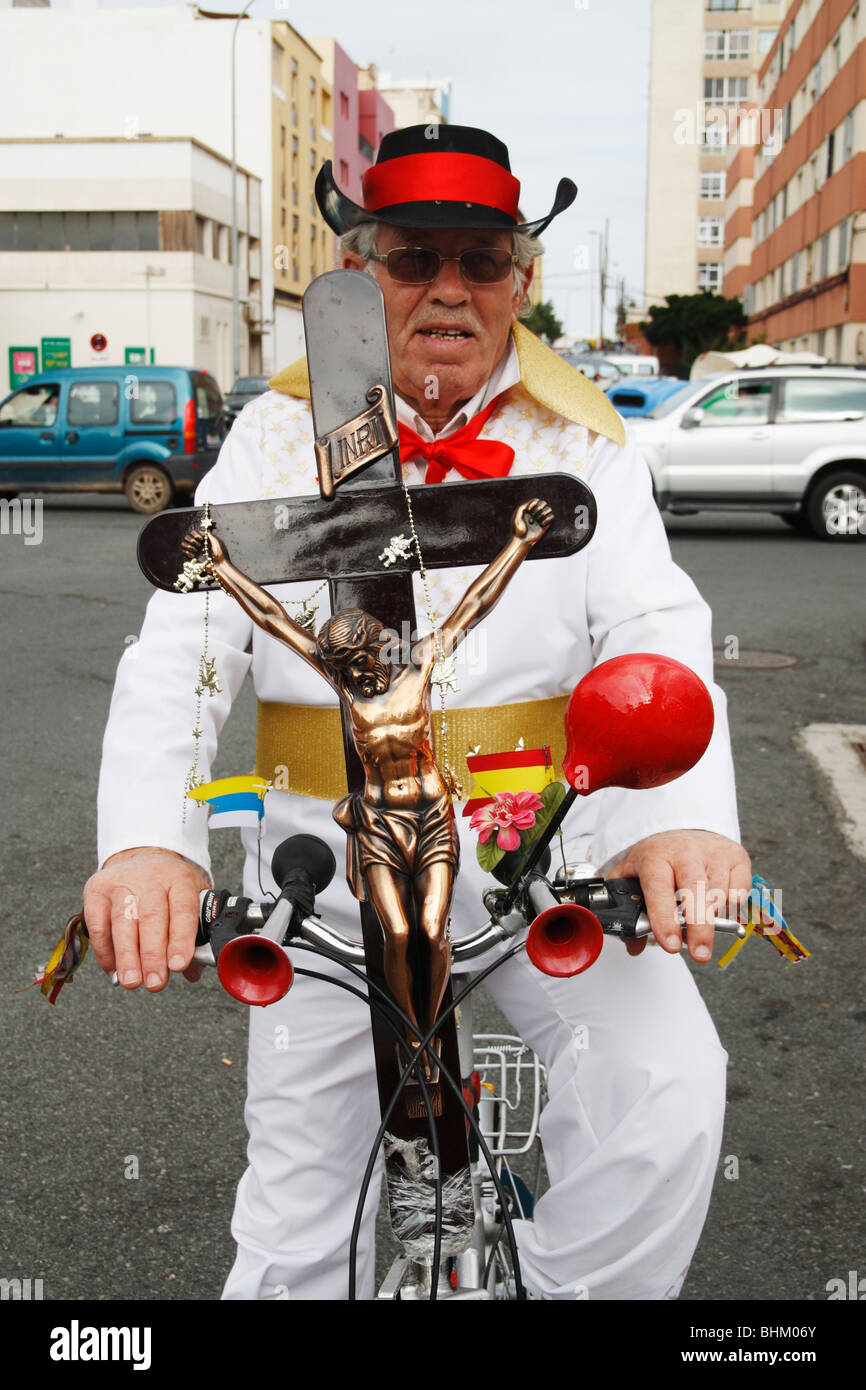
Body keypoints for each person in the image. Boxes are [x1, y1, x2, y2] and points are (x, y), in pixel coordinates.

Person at [84, 124, 751, 1300]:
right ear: (360, 270)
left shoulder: (585, 446)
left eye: (481, 260)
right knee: (295, 1219)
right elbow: (186, 639)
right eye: (411, 257)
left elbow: (651, 625)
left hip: (540, 839)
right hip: (327, 859)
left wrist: (674, 821)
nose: (448, 286)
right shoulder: (274, 437)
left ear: (521, 286)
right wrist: (148, 840)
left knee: (666, 1093)